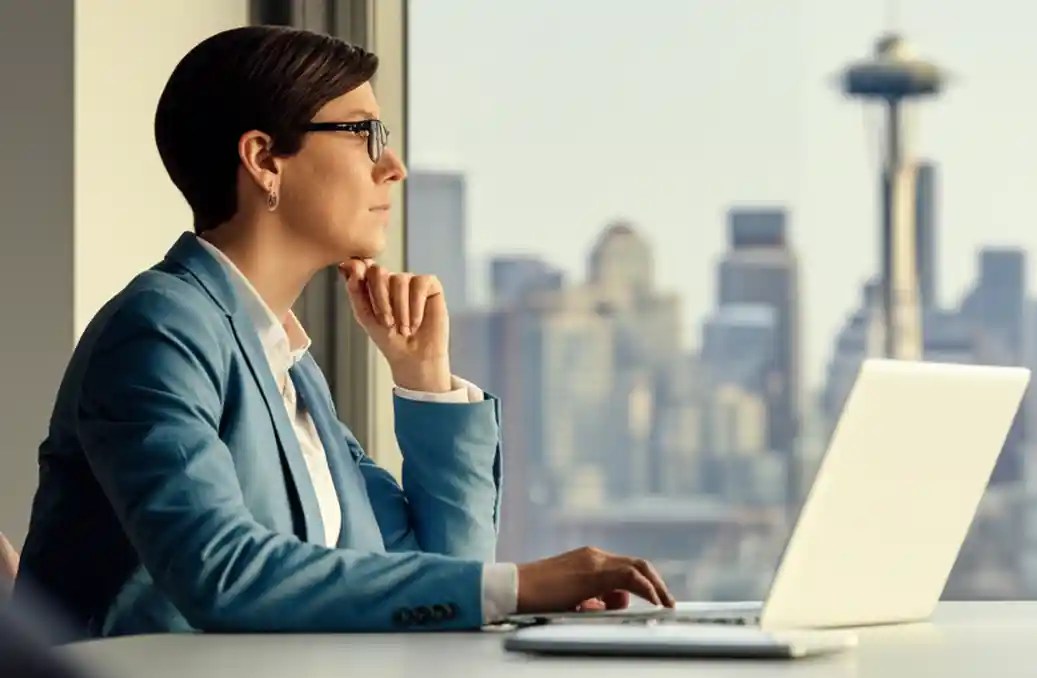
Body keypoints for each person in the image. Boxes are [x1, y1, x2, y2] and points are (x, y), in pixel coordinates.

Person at [16, 25, 674, 639]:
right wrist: (521, 586)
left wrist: (426, 381)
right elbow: (220, 571)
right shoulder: (159, 331)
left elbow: (432, 578)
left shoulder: (290, 368)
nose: (394, 167)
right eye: (366, 134)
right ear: (264, 160)